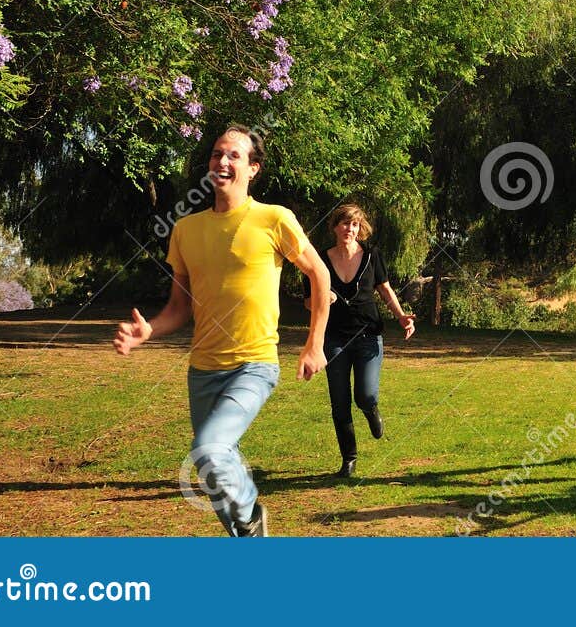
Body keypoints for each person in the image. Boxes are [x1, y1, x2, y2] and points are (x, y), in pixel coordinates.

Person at [113, 123, 331, 537]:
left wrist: (314, 343)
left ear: (254, 169)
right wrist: (150, 331)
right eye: (217, 154)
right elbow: (180, 308)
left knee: (209, 449)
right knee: (213, 470)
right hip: (203, 370)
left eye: (234, 155)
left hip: (254, 364)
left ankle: (251, 514)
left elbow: (320, 275)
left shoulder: (274, 219)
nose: (223, 162)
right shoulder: (186, 230)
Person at [304, 201, 416, 479]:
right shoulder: (318, 260)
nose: (349, 229)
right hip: (334, 338)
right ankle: (349, 460)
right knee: (339, 402)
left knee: (364, 394)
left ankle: (371, 410)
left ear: (360, 228)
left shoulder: (371, 255)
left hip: (368, 334)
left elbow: (385, 289)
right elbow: (307, 301)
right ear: (334, 227)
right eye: (344, 223)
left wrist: (401, 316)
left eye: (354, 224)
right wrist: (321, 299)